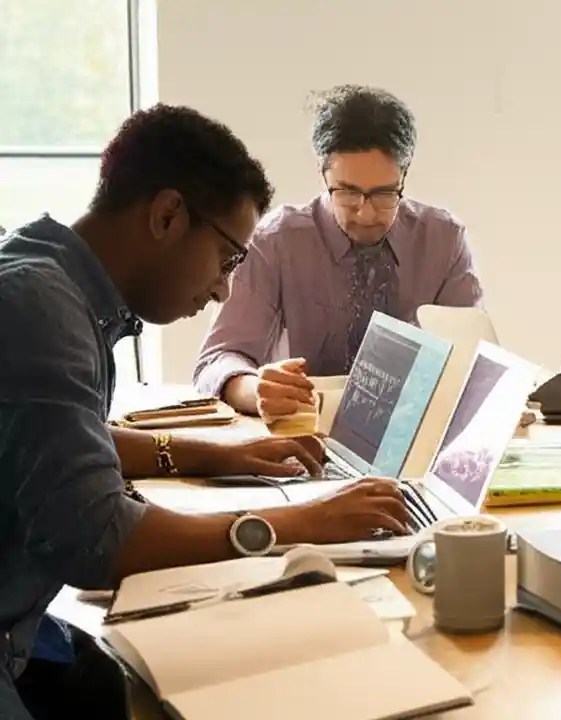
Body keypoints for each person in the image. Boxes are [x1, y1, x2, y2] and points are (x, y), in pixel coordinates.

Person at [0, 105, 412, 720]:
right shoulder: (40, 308)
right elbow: (98, 539)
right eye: (228, 260)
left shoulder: (46, 274)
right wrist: (302, 525)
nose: (223, 289)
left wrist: (220, 454)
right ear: (167, 216)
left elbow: (62, 438)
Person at [194, 84, 484, 419]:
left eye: (384, 193)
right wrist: (256, 389)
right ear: (323, 175)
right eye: (347, 192)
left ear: (404, 174)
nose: (366, 213)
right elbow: (218, 360)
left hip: (413, 432)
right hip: (303, 432)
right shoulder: (275, 241)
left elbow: (473, 361)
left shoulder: (443, 240)